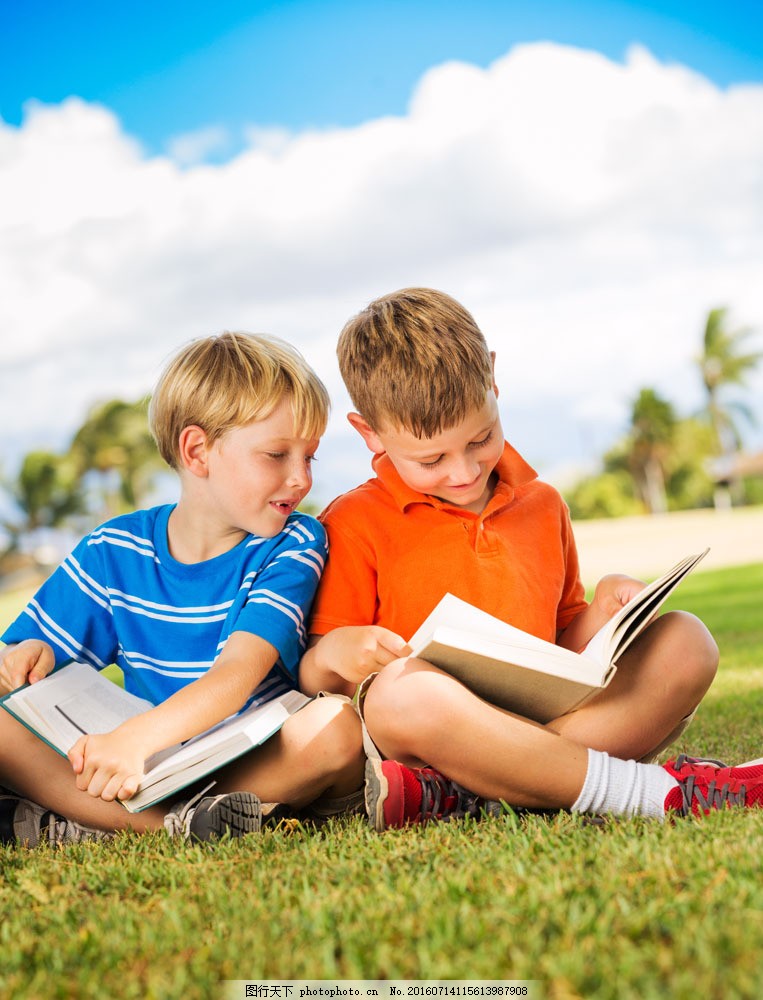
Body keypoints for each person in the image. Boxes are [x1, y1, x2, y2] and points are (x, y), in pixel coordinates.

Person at [300, 287, 763, 828]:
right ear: (369, 433)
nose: (463, 472)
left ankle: (473, 792)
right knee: (400, 693)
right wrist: (335, 653)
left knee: (687, 642)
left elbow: (564, 647)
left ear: (493, 380)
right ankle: (644, 791)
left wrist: (605, 612)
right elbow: (313, 684)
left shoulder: (543, 505)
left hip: (544, 719)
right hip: (429, 732)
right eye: (431, 460)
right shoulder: (353, 522)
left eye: (481, 439)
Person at [0, 331, 365, 846]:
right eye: (276, 454)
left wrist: (137, 738)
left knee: (335, 728)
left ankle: (95, 824)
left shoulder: (294, 542)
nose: (301, 478)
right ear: (197, 451)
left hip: (245, 761)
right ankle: (177, 825)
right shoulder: (114, 549)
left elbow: (237, 675)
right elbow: (21, 660)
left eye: (310, 458)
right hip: (142, 764)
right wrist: (27, 657)